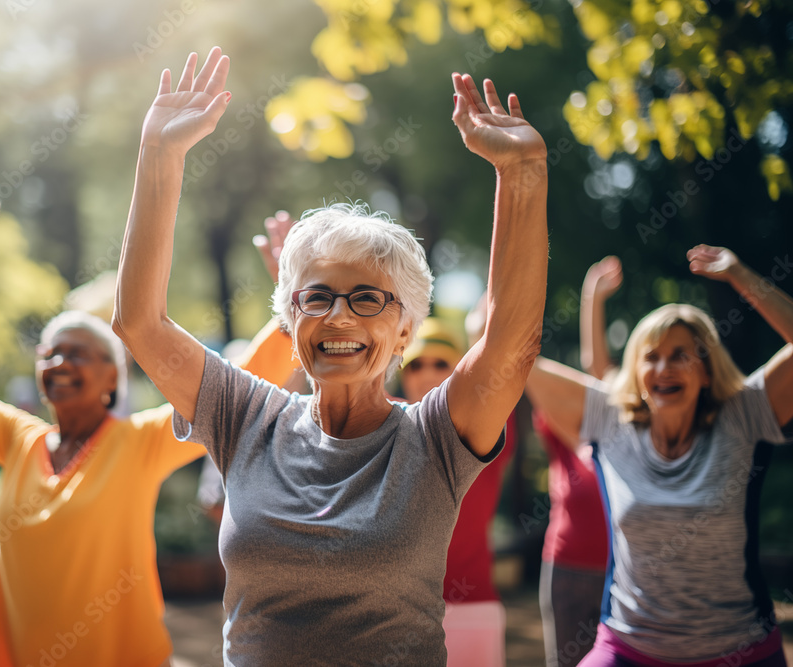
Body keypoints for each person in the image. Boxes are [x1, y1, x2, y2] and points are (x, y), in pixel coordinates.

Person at [112, 47, 548, 663]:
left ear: (405, 333)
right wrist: (159, 154)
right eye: (317, 297)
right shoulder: (246, 417)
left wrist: (523, 172)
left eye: (369, 298)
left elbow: (512, 343)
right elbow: (139, 324)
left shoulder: (434, 440)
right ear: (290, 325)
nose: (339, 315)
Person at [0, 229, 297, 666]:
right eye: (50, 354)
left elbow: (229, 391)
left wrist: (292, 304)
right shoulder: (19, 437)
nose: (60, 364)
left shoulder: (140, 442)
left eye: (77, 354)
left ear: (112, 377)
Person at [526, 244, 793, 666]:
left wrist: (742, 276)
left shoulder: (746, 414)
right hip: (628, 648)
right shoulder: (610, 419)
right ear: (637, 371)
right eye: (651, 357)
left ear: (706, 371)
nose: (663, 368)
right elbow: (513, 363)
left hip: (739, 651)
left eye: (680, 356)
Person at [398, 316, 514, 667]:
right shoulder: (385, 426)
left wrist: (485, 333)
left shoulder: (486, 427)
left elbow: (493, 375)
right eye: (415, 364)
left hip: (473, 607)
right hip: (398, 615)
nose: (428, 372)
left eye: (441, 363)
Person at [537, 256, 618, 667]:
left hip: (619, 572)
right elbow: (530, 372)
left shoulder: (622, 437)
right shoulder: (558, 429)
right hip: (566, 570)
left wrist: (593, 299)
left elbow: (599, 374)